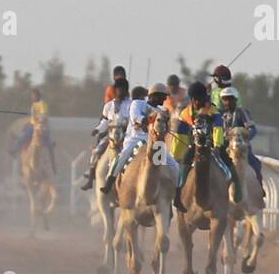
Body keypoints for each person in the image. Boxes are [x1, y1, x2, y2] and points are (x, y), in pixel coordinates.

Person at [171, 81, 243, 211]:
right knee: (185, 161)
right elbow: (181, 133)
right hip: (196, 143)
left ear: (204, 98)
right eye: (194, 99)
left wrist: (217, 145)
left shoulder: (213, 110)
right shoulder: (185, 113)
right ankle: (178, 194)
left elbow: (217, 128)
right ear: (191, 99)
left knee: (227, 160)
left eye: (199, 99)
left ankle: (237, 187)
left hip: (213, 143)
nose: (197, 101)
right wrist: (176, 153)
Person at [101, 83, 177, 192]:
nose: (165, 98)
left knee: (174, 166)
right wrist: (151, 121)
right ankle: (109, 182)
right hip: (135, 139)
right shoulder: (137, 104)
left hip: (155, 142)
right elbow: (136, 118)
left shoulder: (162, 112)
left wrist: (166, 126)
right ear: (154, 95)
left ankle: (177, 195)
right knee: (123, 155)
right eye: (162, 96)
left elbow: (165, 130)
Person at [80, 77, 130, 191]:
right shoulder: (108, 106)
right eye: (119, 89)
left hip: (126, 135)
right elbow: (105, 122)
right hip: (111, 135)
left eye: (123, 89)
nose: (121, 91)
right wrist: (97, 129)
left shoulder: (131, 104)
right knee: (97, 150)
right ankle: (90, 177)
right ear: (115, 90)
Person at [217, 86, 264, 195]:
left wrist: (245, 138)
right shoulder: (219, 114)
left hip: (241, 148)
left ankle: (259, 189)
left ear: (235, 100)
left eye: (230, 99)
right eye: (225, 99)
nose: (227, 102)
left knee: (255, 163)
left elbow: (252, 129)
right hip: (224, 148)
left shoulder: (241, 112)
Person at [8, 88, 57, 173]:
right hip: (33, 125)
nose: (32, 97)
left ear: (38, 96)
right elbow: (33, 117)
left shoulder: (42, 104)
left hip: (40, 125)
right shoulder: (34, 105)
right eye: (32, 96)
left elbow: (43, 115)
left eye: (34, 95)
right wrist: (29, 122)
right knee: (23, 136)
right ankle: (15, 149)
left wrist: (39, 120)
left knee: (48, 143)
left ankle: (53, 165)